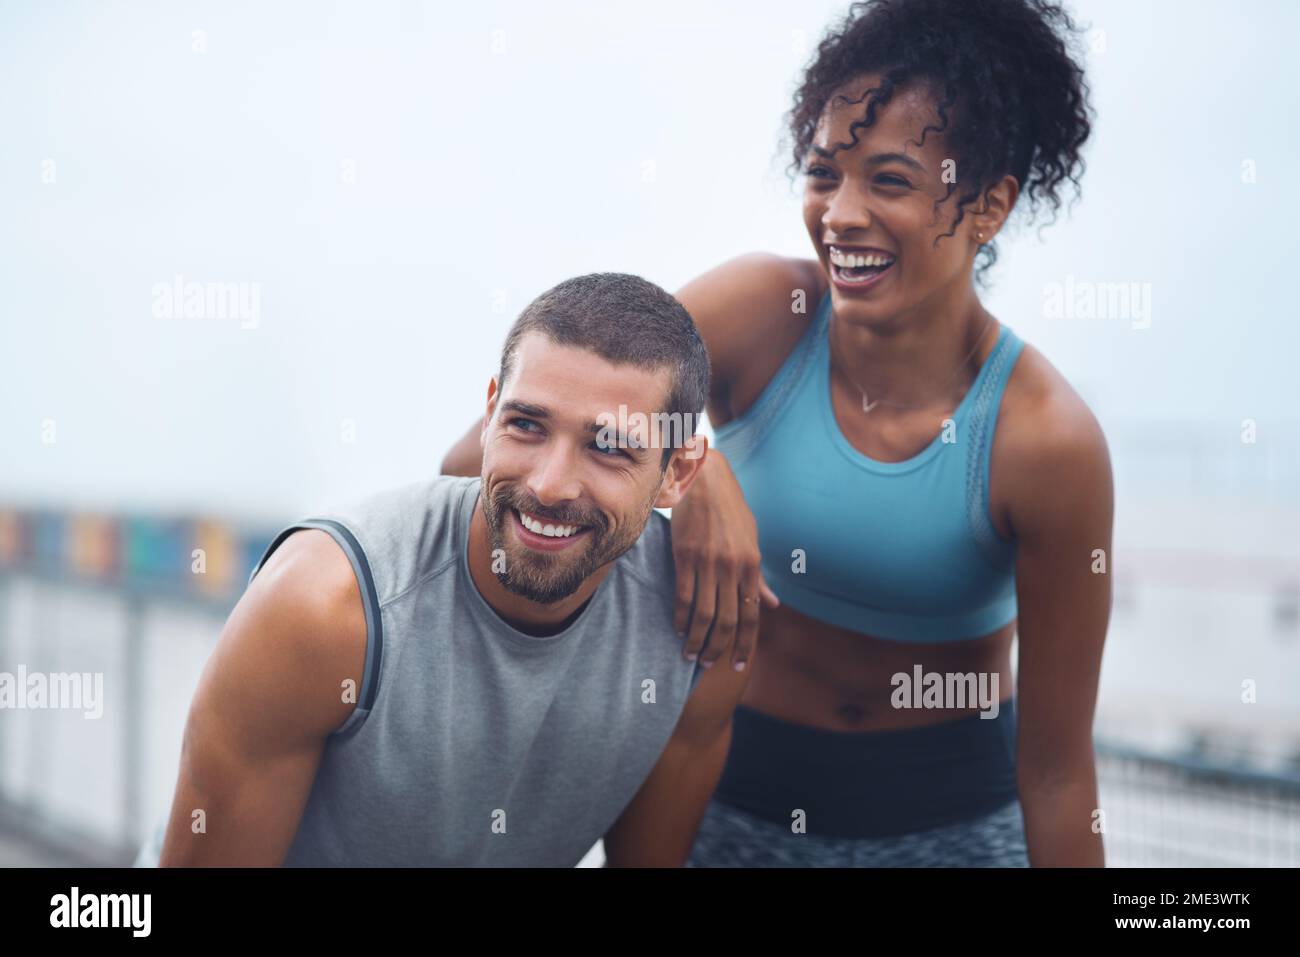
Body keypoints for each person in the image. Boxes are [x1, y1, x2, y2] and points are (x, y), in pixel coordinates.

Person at [447, 0, 1113, 868]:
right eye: (822, 172)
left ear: (987, 206)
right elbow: (472, 461)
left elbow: (1060, 776)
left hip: (945, 834)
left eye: (889, 180)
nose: (839, 213)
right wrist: (698, 471)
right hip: (717, 806)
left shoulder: (1046, 442)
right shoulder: (763, 315)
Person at [139, 272, 752, 867]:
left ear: (678, 473)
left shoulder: (703, 630)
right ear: (490, 416)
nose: (549, 484)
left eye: (609, 447)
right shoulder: (326, 606)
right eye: (527, 425)